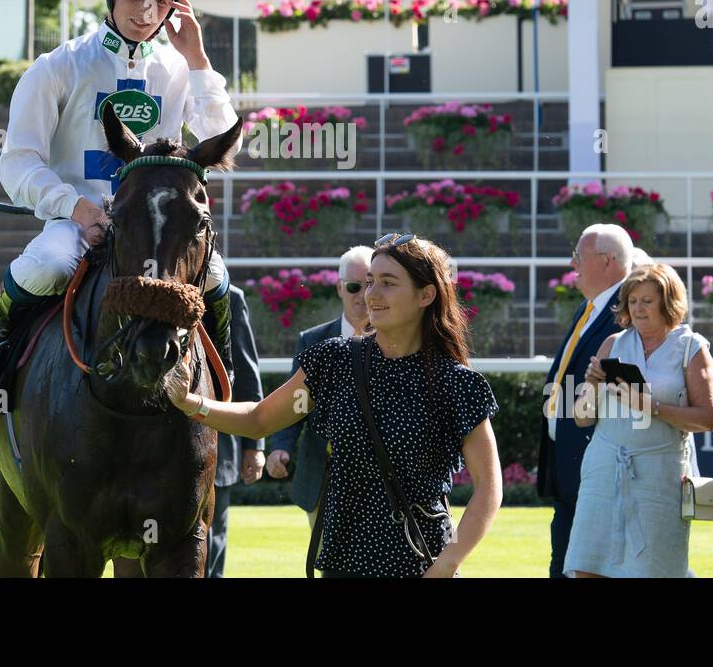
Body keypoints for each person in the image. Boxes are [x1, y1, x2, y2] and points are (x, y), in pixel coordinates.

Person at [0, 0, 241, 389]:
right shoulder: (57, 66)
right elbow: (17, 163)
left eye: (159, 1)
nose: (145, 12)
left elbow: (223, 144)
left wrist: (196, 57)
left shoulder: (182, 70)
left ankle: (228, 374)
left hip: (157, 231)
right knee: (48, 264)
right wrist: (77, 209)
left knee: (215, 275)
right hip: (76, 222)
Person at [164, 234, 502, 577]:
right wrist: (191, 403)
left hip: (422, 564)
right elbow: (259, 418)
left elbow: (489, 486)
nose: (372, 294)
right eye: (370, 282)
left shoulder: (456, 383)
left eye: (388, 283)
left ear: (426, 295)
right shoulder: (335, 361)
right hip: (343, 563)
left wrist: (448, 563)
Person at [564, 263, 713, 578]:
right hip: (603, 470)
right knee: (587, 567)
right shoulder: (613, 343)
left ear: (668, 303)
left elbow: (707, 418)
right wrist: (592, 384)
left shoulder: (691, 346)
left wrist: (652, 407)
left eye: (647, 301)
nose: (638, 308)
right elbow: (581, 419)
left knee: (653, 570)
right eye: (632, 301)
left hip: (659, 476)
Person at [537, 224, 634, 578]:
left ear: (607, 261)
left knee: (588, 564)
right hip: (569, 453)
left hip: (596, 455)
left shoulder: (630, 306)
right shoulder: (591, 306)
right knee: (564, 560)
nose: (572, 262)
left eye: (579, 256)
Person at [264, 245, 373, 528]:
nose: (363, 295)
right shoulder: (312, 341)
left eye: (371, 285)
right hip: (321, 479)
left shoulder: (399, 342)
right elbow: (295, 402)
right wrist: (280, 448)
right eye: (353, 287)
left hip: (379, 482)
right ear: (339, 288)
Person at [205, 284, 265, 578]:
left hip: (218, 447)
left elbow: (245, 372)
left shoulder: (229, 297)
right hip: (154, 452)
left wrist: (254, 446)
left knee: (210, 553)